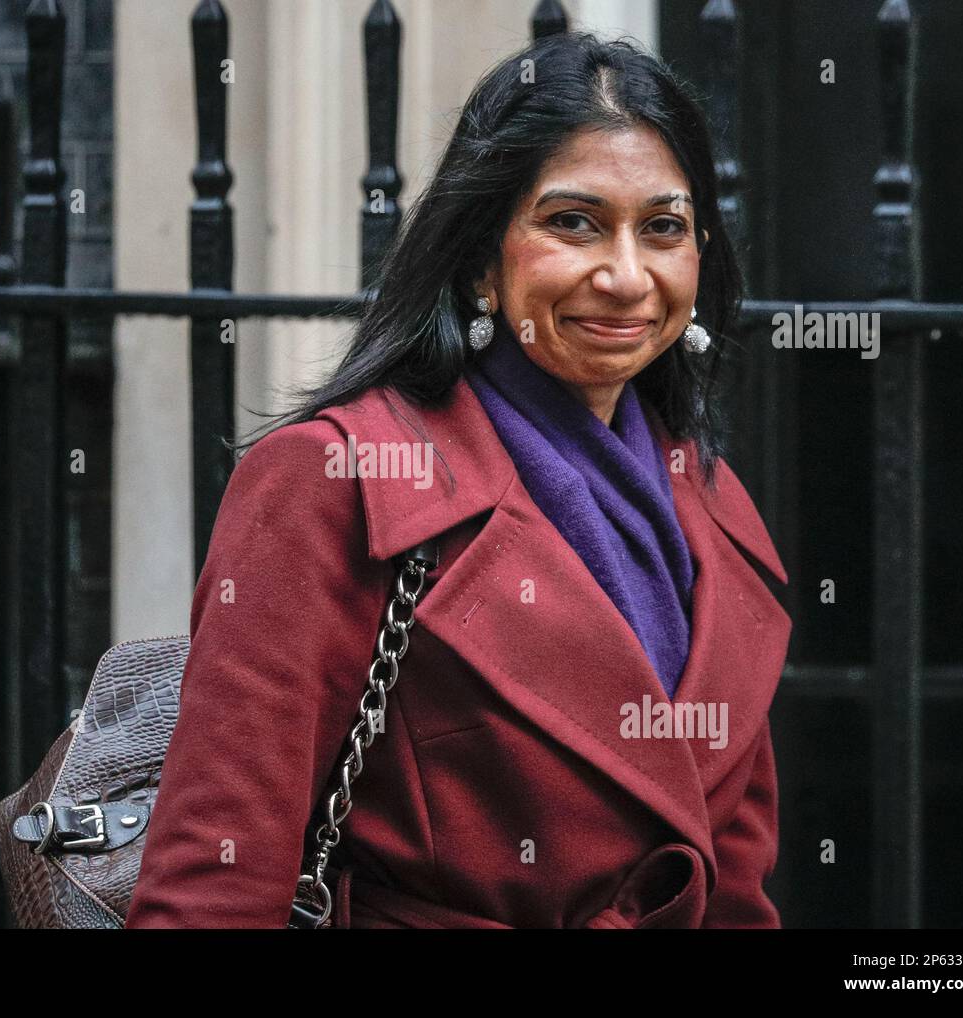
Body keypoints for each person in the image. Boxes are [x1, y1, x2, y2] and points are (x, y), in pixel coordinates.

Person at [125, 30, 791, 929]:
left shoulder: (716, 514)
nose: (627, 276)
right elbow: (213, 886)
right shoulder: (336, 485)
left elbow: (737, 896)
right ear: (483, 259)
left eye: (663, 228)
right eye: (573, 222)